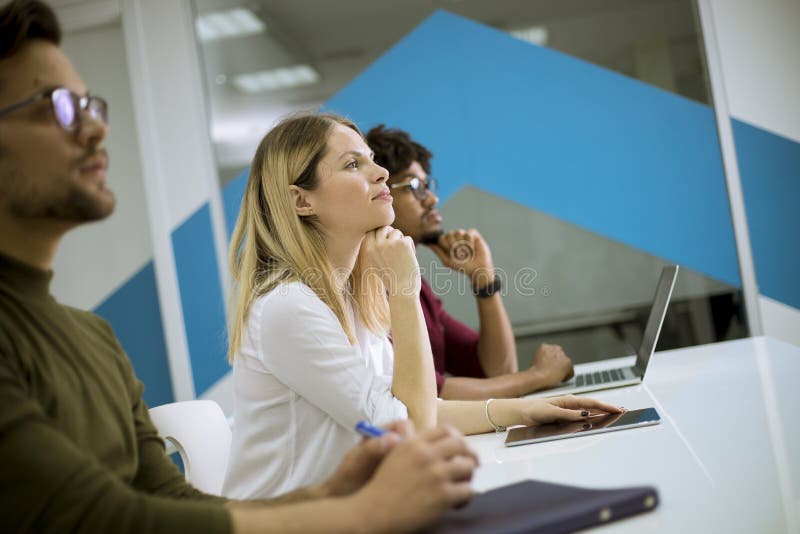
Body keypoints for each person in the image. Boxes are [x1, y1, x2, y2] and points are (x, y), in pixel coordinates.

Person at [0, 2, 481, 533]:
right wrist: (356, 512)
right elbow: (99, 517)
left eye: (91, 106)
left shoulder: (95, 338)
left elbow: (171, 501)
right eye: (58, 106)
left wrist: (328, 494)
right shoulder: (288, 306)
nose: (94, 129)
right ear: (301, 200)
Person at [222, 112, 622, 499]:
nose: (379, 174)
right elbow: (413, 427)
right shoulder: (289, 307)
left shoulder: (353, 294)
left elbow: (416, 409)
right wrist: (403, 287)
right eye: (352, 164)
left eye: (373, 161)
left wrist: (526, 411)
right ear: (301, 201)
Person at [366, 125, 576, 400]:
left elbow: (497, 371)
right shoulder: (371, 288)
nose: (432, 199)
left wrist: (483, 279)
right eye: (415, 186)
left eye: (428, 185)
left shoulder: (419, 289)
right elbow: (430, 392)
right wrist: (537, 376)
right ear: (381, 193)